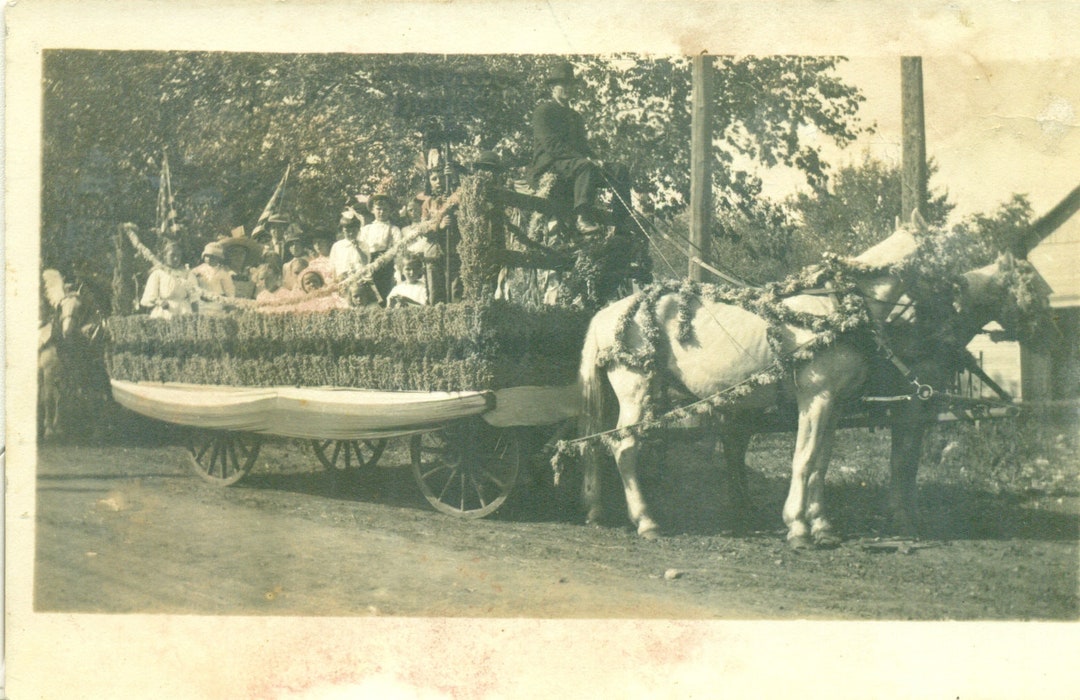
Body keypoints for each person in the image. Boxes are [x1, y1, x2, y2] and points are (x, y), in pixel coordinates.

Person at [529, 61, 603, 234]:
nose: (568, 88)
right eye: (563, 84)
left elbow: (583, 146)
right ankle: (583, 218)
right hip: (550, 165)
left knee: (618, 171)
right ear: (552, 88)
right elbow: (552, 146)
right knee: (585, 166)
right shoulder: (544, 111)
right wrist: (584, 159)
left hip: (572, 165)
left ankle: (622, 224)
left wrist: (596, 158)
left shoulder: (575, 117)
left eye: (570, 84)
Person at [140, 240, 199, 319]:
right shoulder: (158, 273)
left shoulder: (187, 274)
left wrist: (196, 317)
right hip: (164, 313)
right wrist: (159, 302)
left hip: (183, 312)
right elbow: (149, 295)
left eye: (178, 255)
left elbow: (194, 298)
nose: (176, 258)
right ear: (165, 256)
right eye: (172, 255)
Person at [358, 193, 401, 301]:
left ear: (390, 211)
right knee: (370, 292)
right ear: (372, 210)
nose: (381, 212)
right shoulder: (366, 229)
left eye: (385, 209)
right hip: (369, 262)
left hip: (386, 264)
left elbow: (397, 249)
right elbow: (362, 247)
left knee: (386, 291)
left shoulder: (394, 229)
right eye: (378, 209)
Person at [192, 241, 235, 313]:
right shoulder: (197, 270)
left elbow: (229, 290)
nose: (209, 259)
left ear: (219, 258)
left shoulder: (223, 272)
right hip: (201, 304)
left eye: (213, 257)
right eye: (207, 256)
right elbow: (193, 286)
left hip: (216, 305)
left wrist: (229, 305)